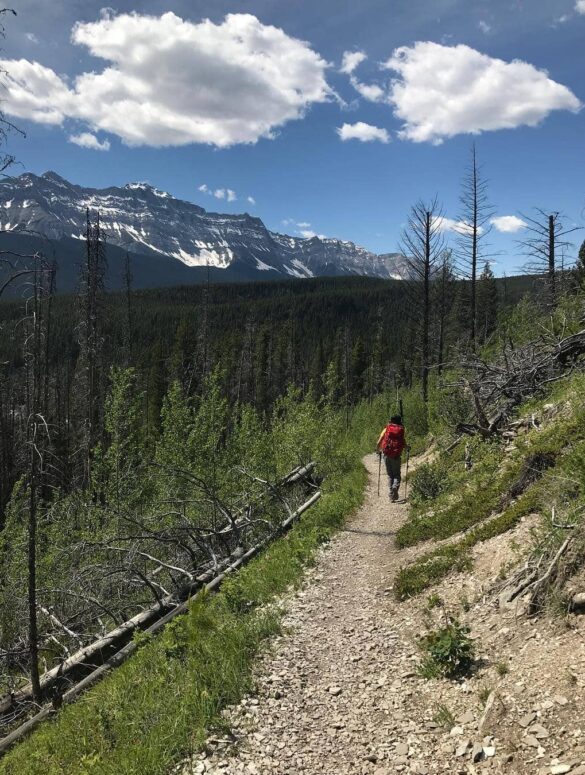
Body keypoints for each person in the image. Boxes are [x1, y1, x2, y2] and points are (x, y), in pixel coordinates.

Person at [377, 414, 407, 502]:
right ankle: (395, 487)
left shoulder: (387, 428)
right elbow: (403, 441)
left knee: (390, 475)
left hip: (386, 454)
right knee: (397, 475)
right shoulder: (401, 429)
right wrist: (407, 447)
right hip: (396, 455)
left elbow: (380, 440)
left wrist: (378, 449)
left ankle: (391, 495)